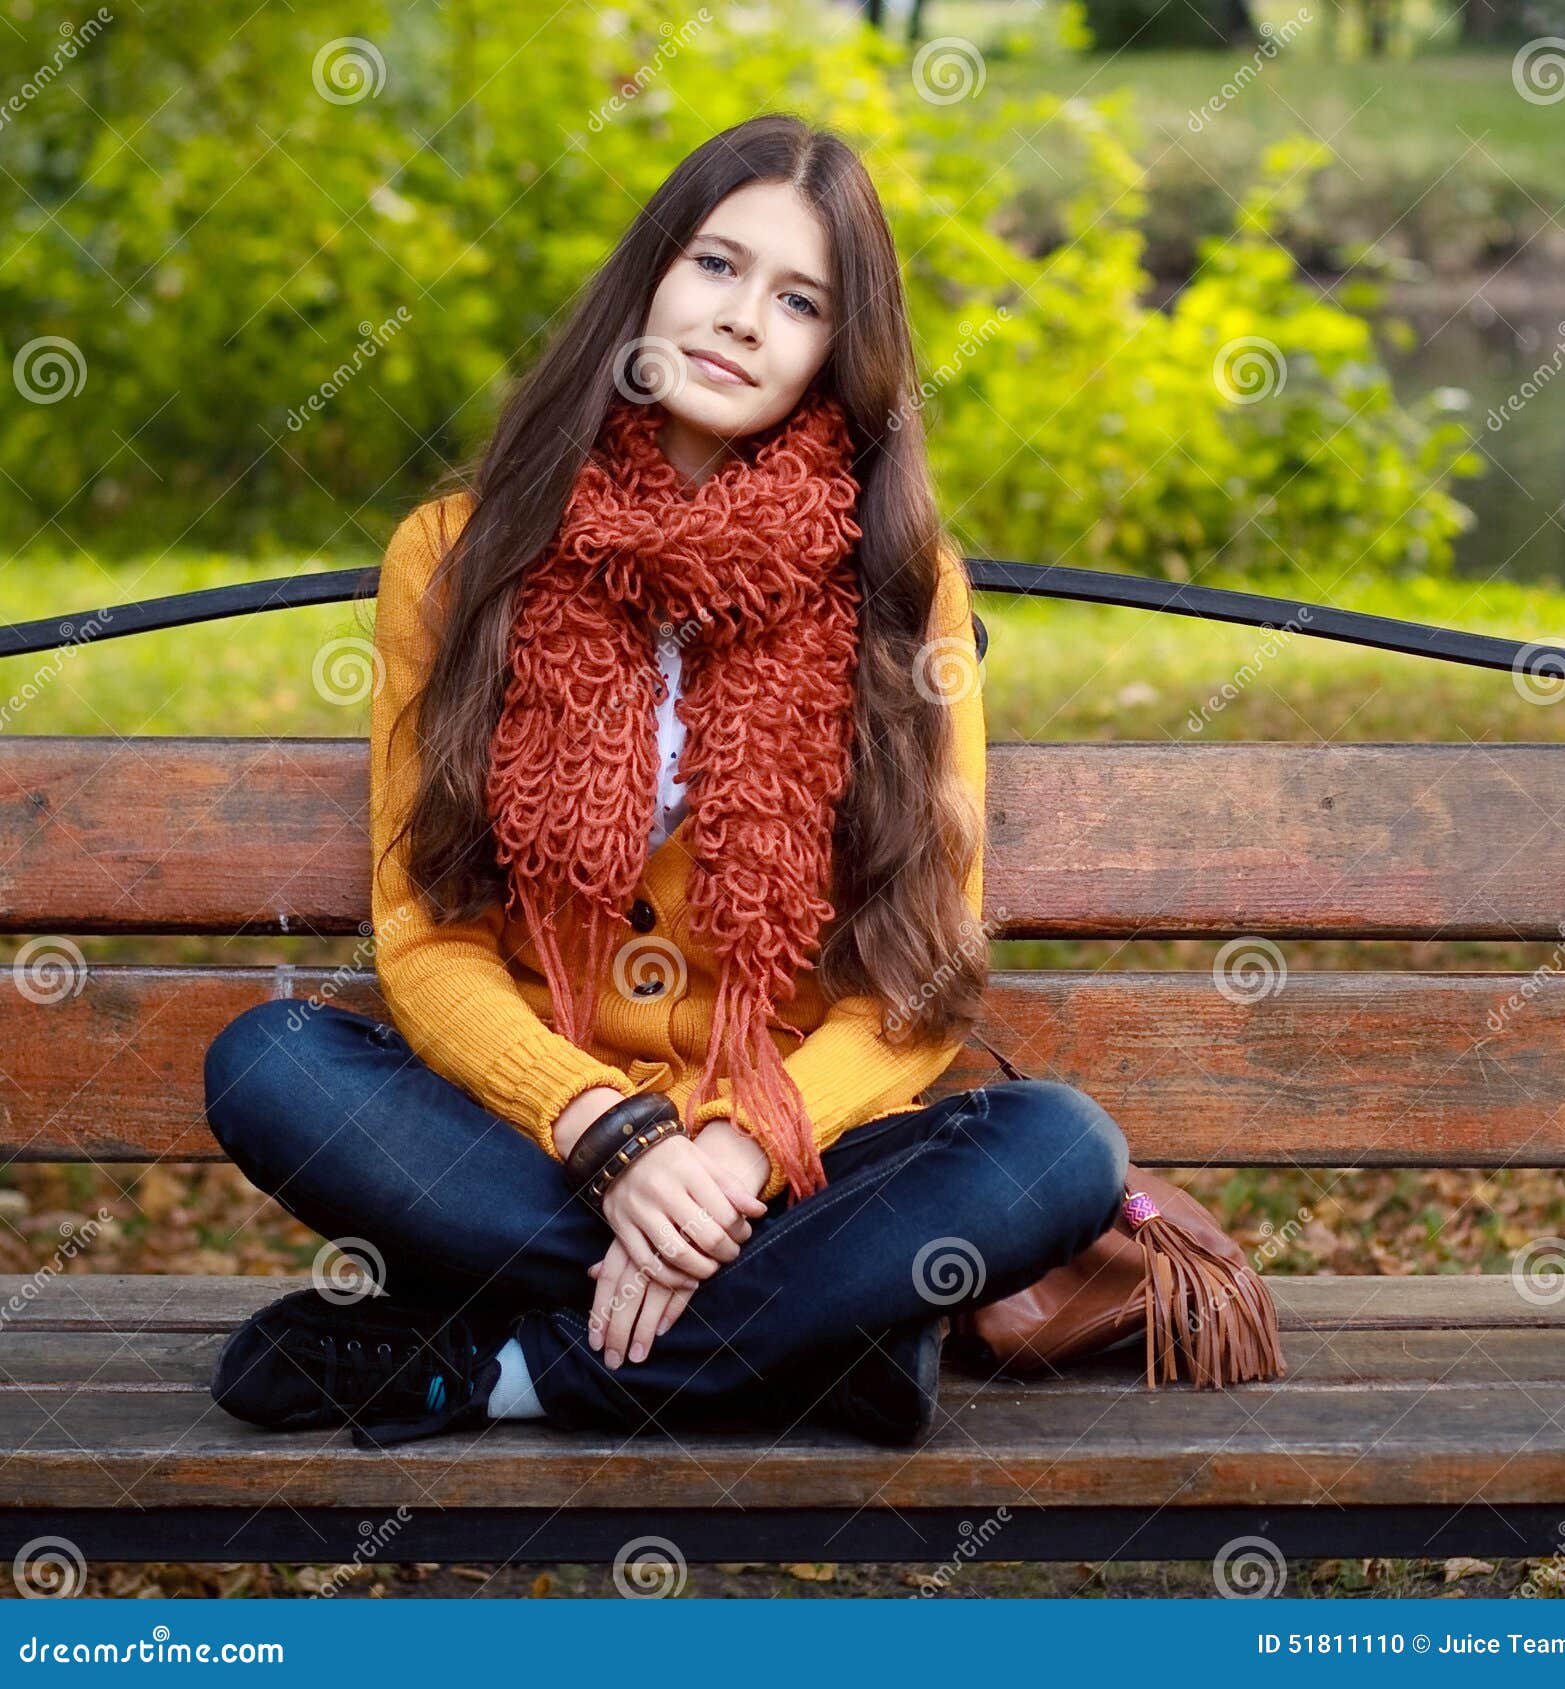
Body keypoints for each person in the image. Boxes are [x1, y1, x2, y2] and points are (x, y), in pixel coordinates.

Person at [202, 112, 1129, 1453]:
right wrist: (612, 1137)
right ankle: (825, 1349)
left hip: (791, 1167)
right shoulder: (462, 556)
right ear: (648, 278)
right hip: (535, 1147)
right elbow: (425, 939)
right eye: (715, 265)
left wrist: (736, 1147)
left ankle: (503, 1367)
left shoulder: (903, 584)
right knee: (271, 1063)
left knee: (1060, 1149)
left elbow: (922, 979)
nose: (744, 319)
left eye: (799, 299)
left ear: (836, 352)